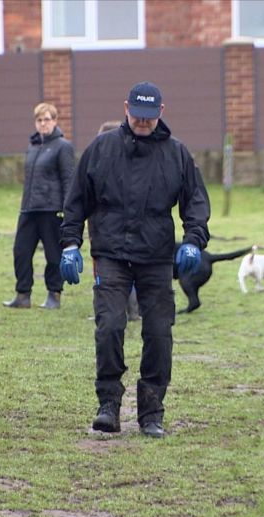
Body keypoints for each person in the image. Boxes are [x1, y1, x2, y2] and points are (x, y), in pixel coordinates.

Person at [60, 82, 210, 438]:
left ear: (162, 111)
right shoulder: (101, 149)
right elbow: (77, 200)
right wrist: (69, 244)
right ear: (126, 108)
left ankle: (152, 411)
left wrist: (193, 241)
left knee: (159, 332)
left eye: (149, 117)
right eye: (137, 116)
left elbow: (196, 204)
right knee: (110, 325)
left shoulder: (177, 155)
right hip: (110, 252)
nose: (143, 123)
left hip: (156, 257)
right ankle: (108, 404)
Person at [3, 102, 75, 309]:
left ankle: (54, 294)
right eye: (39, 120)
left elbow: (68, 179)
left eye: (47, 119)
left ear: (55, 121)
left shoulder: (63, 147)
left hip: (52, 209)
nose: (43, 123)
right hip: (29, 209)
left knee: (53, 254)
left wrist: (67, 209)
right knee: (21, 251)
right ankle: (23, 294)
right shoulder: (32, 147)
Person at [97, 119, 141, 322]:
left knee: (121, 271)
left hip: (119, 234)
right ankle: (125, 310)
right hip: (104, 233)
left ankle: (129, 310)